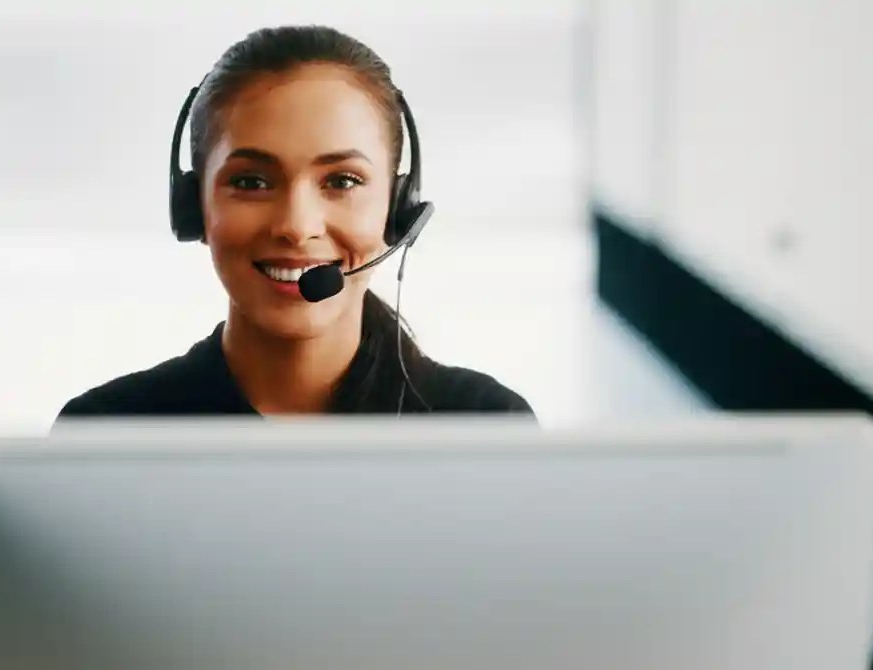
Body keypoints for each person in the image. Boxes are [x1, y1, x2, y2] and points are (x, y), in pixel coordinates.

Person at [57, 25, 532, 419]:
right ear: (193, 205)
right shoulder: (108, 430)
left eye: (342, 181)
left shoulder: (485, 426)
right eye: (251, 182)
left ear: (398, 205)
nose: (296, 225)